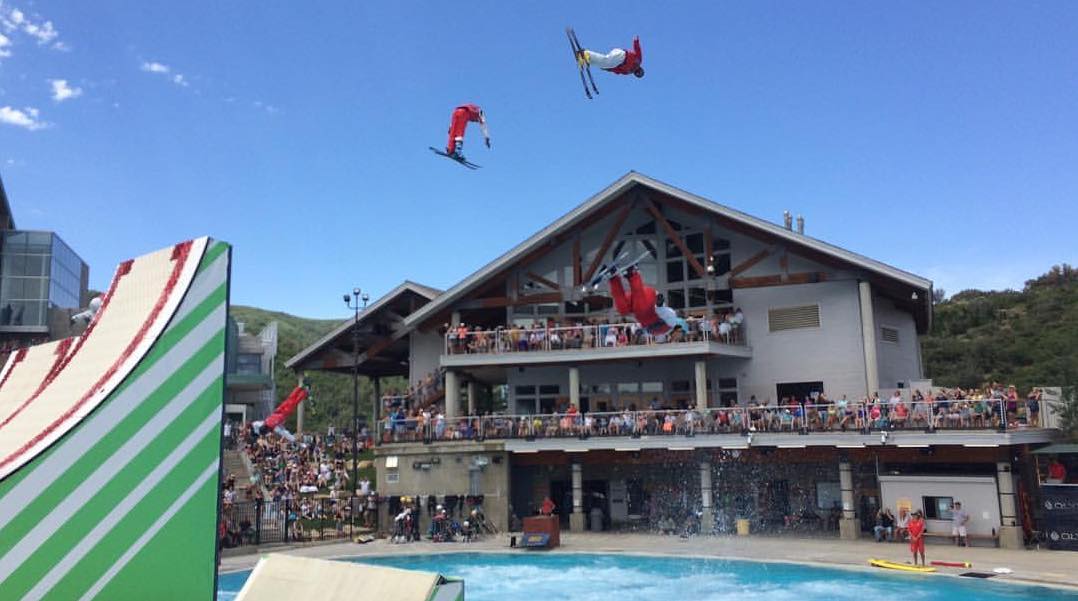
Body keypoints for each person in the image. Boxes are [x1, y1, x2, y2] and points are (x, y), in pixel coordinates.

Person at [608, 266, 686, 340]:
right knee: (642, 309)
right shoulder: (671, 323)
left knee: (623, 310)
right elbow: (664, 311)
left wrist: (639, 331)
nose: (677, 338)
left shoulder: (657, 333)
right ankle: (633, 273)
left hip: (637, 306)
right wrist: (659, 302)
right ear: (677, 330)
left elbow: (643, 328)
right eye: (679, 334)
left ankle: (614, 278)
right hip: (649, 300)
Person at [577, 35, 644, 78]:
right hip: (622, 55)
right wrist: (636, 41)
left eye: (637, 73)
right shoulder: (639, 61)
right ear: (640, 68)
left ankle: (586, 59)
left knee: (603, 64)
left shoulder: (627, 72)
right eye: (638, 71)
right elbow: (637, 49)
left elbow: (616, 70)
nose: (636, 70)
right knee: (607, 62)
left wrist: (607, 69)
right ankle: (586, 53)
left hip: (617, 60)